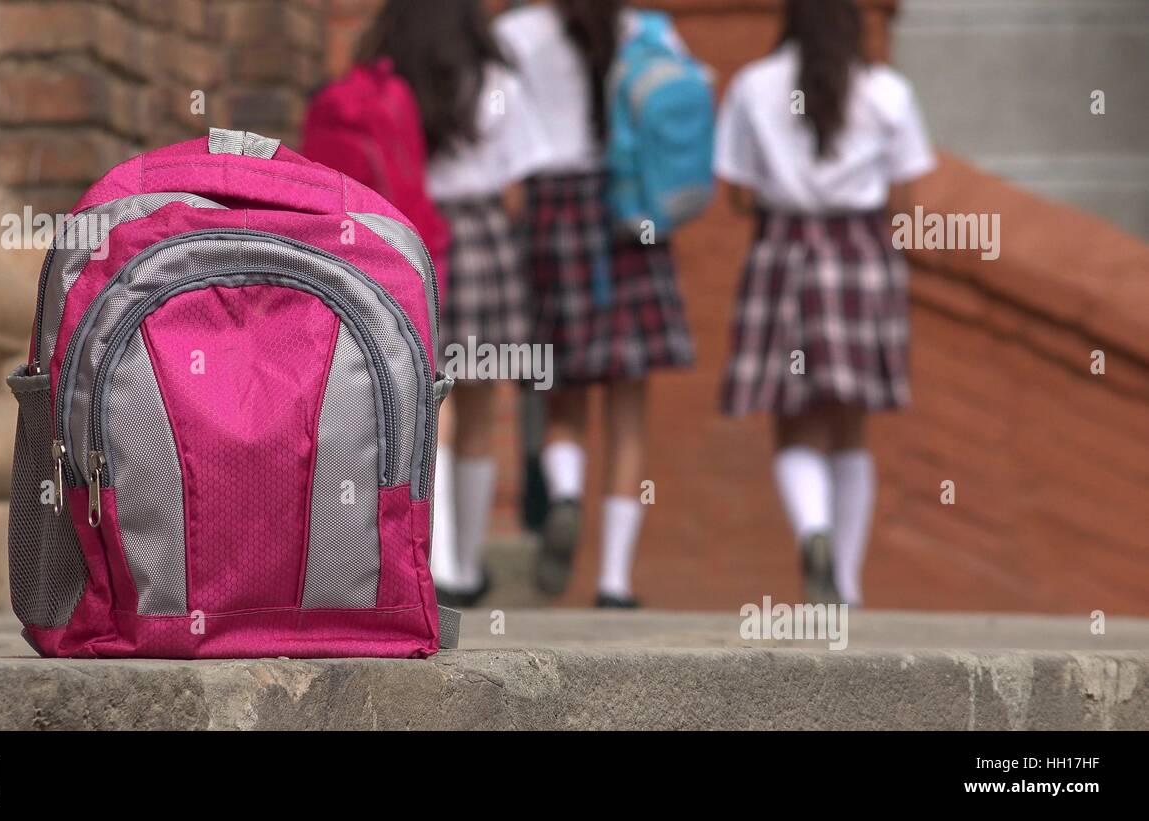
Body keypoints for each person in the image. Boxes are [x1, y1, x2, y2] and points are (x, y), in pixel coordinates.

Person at [715, 0, 936, 605]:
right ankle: (846, 582)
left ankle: (812, 531)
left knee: (793, 421)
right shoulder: (887, 90)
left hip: (783, 251)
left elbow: (736, 192)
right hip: (860, 254)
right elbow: (907, 200)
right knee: (850, 425)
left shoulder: (754, 86)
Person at [495, 0, 696, 608]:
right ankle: (615, 582)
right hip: (632, 210)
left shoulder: (514, 34)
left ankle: (563, 497)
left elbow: (502, 139)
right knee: (629, 407)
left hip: (555, 209)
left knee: (564, 395)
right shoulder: (647, 29)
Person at [358, 0, 551, 607]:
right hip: (482, 236)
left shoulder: (385, 71)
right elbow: (517, 182)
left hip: (404, 235)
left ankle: (430, 559)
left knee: (420, 396)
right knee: (478, 397)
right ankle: (465, 567)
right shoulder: (496, 79)